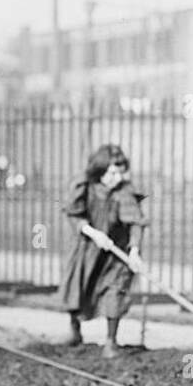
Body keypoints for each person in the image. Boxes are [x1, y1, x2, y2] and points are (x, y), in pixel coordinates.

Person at [58, 144, 148, 358]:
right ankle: (75, 331)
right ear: (100, 170)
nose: (117, 177)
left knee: (115, 291)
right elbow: (73, 215)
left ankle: (110, 342)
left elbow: (135, 222)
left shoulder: (124, 191)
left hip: (115, 253)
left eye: (120, 171)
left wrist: (134, 251)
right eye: (112, 172)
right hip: (86, 248)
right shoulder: (84, 186)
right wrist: (93, 233)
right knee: (77, 288)